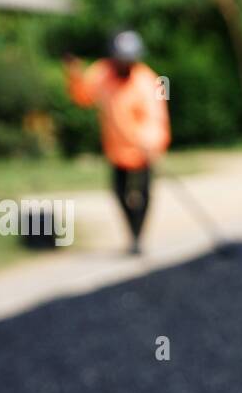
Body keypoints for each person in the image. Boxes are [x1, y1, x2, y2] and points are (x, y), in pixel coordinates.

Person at [65, 31, 170, 255]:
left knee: (142, 194)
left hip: (142, 150)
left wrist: (152, 141)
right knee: (119, 193)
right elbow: (83, 97)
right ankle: (132, 234)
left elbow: (157, 117)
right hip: (116, 149)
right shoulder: (101, 74)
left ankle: (137, 237)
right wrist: (74, 76)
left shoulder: (148, 80)